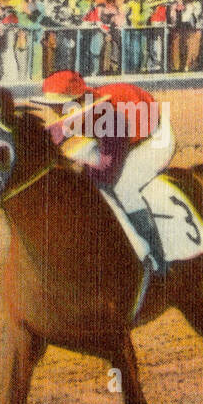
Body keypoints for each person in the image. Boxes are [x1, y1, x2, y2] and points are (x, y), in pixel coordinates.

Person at [33, 69, 174, 278]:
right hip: (120, 135)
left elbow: (108, 172)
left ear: (77, 100)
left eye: (57, 104)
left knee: (124, 189)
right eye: (51, 104)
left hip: (154, 139)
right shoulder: (78, 108)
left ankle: (157, 259)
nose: (53, 109)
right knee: (80, 156)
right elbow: (53, 137)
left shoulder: (111, 118)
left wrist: (77, 173)